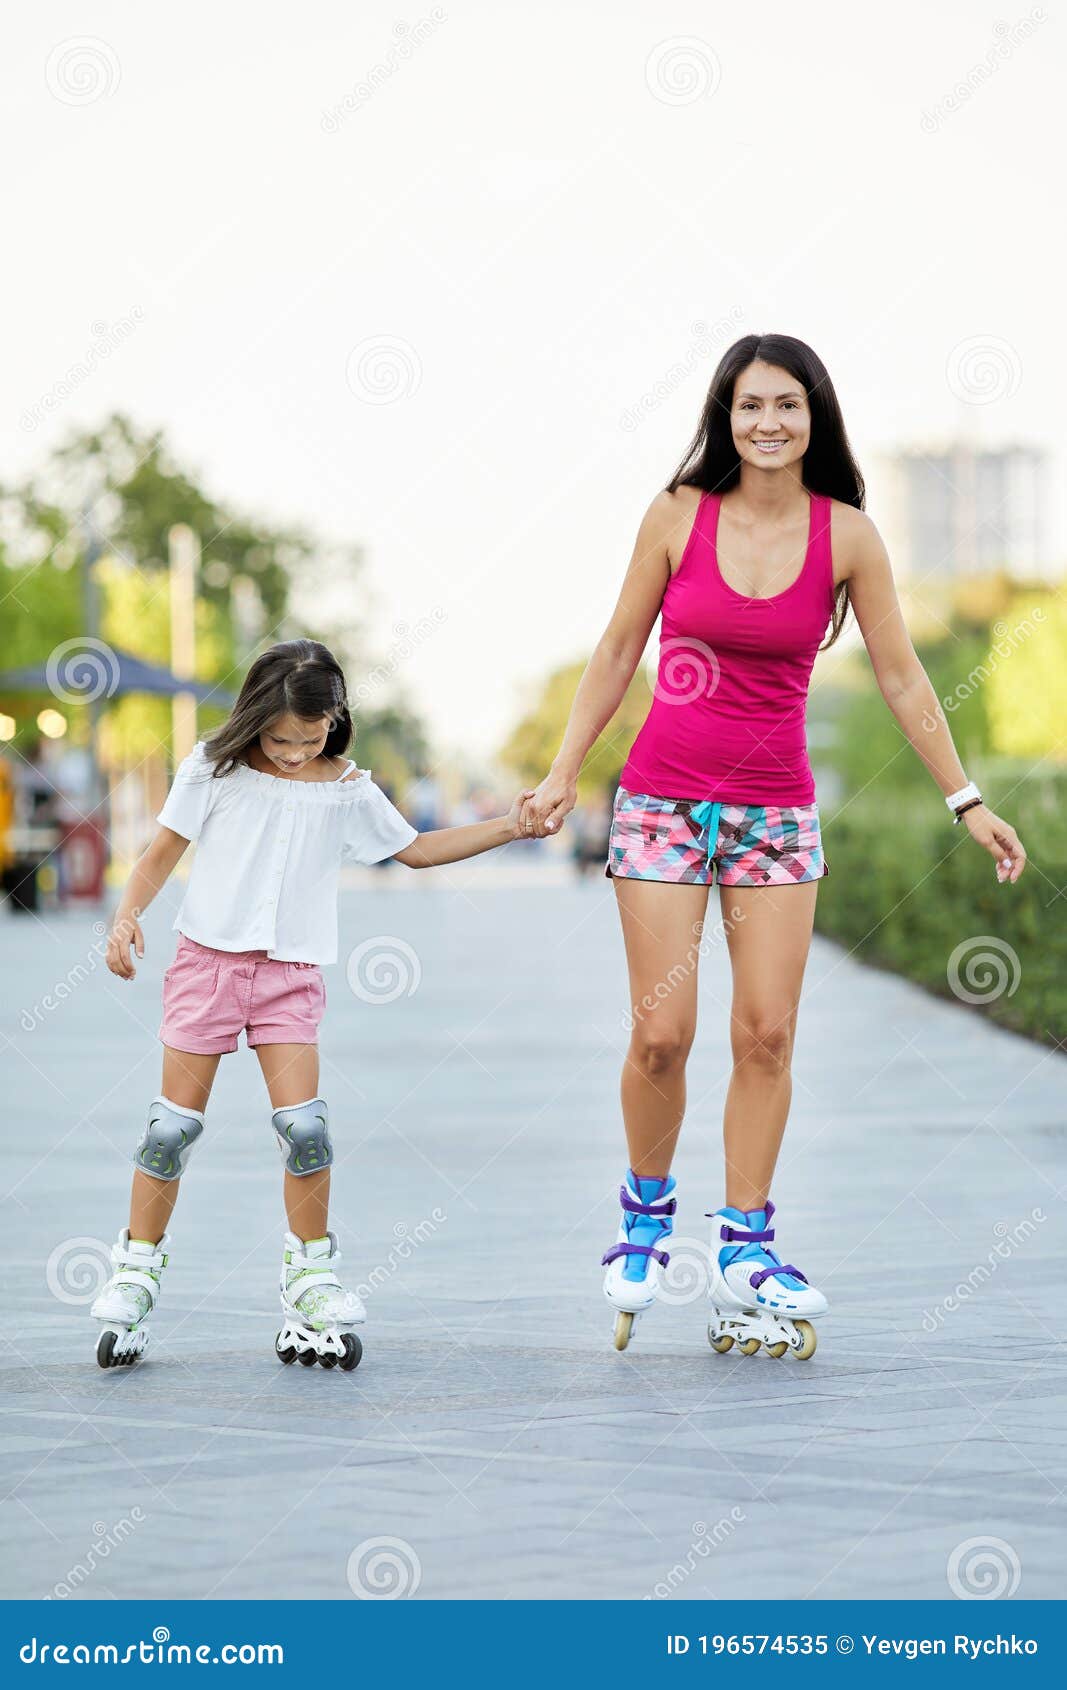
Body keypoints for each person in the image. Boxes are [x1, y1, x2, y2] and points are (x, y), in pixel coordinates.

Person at [521, 332, 1027, 1358]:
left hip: (774, 816)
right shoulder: (675, 517)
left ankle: (746, 1241)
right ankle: (644, 1214)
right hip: (660, 800)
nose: (766, 422)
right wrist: (563, 765)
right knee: (662, 1035)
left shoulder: (847, 537)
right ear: (722, 414)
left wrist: (964, 798)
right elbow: (618, 647)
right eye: (749, 405)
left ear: (813, 417)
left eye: (786, 406)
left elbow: (899, 678)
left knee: (764, 1034)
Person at [93, 638, 533, 1371]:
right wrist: (126, 915)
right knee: (170, 1131)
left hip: (289, 976)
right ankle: (136, 1270)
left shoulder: (345, 788)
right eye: (280, 737)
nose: (296, 752)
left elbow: (415, 850)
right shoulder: (213, 768)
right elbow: (160, 853)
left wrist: (512, 826)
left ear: (336, 719)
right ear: (255, 718)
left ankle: (310, 1277)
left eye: (312, 736)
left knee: (305, 1130)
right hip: (207, 964)